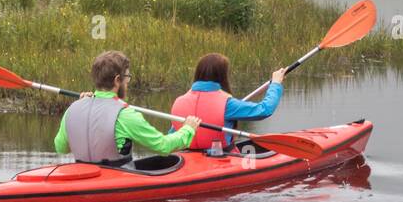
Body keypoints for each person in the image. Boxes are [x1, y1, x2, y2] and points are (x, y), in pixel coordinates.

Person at [55, 50, 199, 165]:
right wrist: (188, 129)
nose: (127, 82)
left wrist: (82, 109)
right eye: (127, 77)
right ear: (118, 80)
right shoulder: (125, 114)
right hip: (114, 181)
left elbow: (61, 148)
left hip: (83, 177)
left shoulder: (72, 110)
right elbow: (163, 146)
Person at [171, 53, 286, 152]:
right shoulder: (227, 104)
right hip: (221, 158)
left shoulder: (179, 102)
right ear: (222, 76)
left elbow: (173, 136)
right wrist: (275, 84)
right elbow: (264, 110)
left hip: (188, 159)